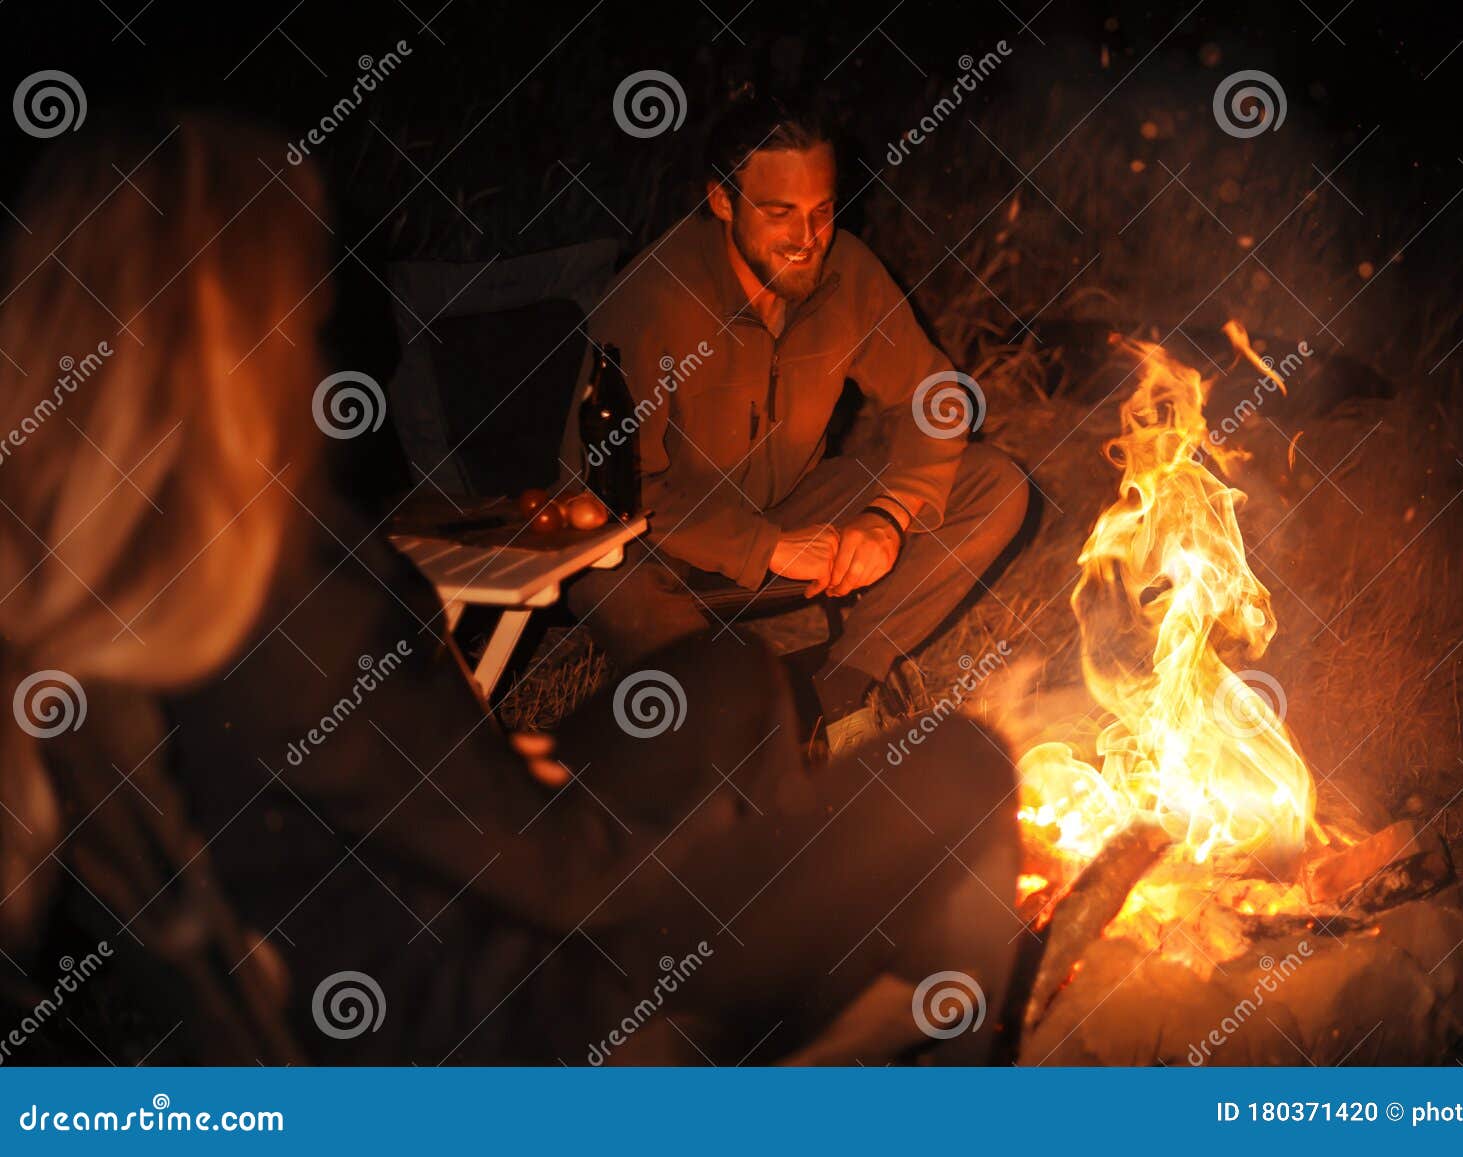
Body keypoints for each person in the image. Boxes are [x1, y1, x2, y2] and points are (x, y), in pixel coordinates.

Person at [0, 114, 1024, 1065]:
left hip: (436, 926)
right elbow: (578, 877)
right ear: (232, 341)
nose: (312, 343)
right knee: (961, 768)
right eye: (297, 312)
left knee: (728, 682)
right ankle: (816, 1044)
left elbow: (393, 799)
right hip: (542, 1009)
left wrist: (484, 774)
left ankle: (788, 885)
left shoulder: (87, 610)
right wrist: (744, 860)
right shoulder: (290, 605)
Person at [563, 93, 1029, 754]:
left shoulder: (844, 272)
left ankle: (837, 692)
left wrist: (888, 515)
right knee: (622, 599)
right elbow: (600, 493)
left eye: (822, 211)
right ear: (724, 201)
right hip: (657, 548)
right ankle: (724, 716)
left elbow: (934, 396)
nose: (807, 239)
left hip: (789, 512)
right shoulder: (655, 299)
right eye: (780, 214)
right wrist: (763, 547)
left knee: (996, 486)